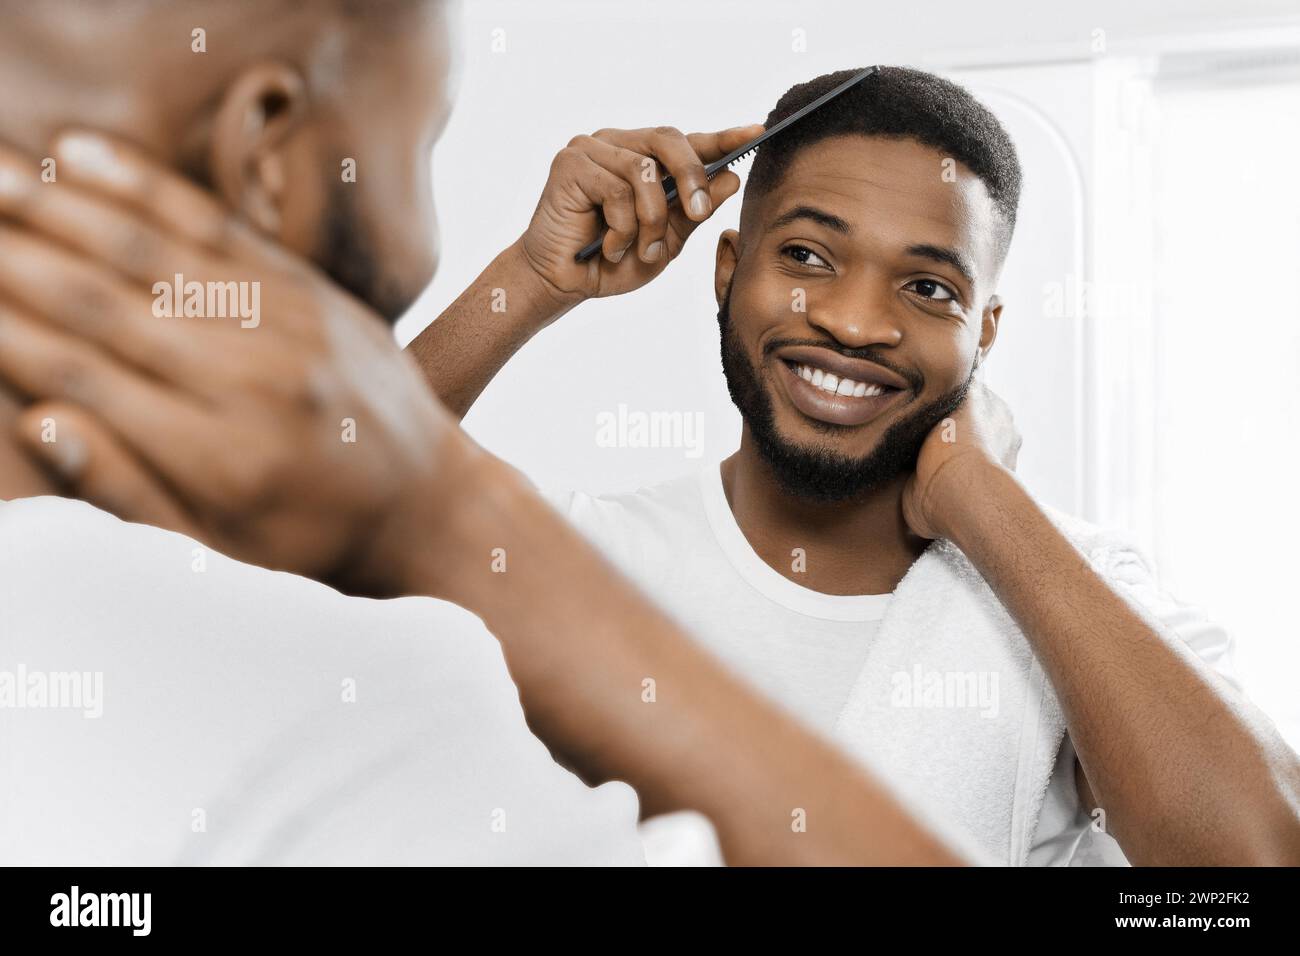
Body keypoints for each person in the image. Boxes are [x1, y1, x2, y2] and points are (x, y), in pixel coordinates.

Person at [0, 1, 973, 865]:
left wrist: (526, 283)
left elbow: (301, 472)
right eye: (426, 139)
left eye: (929, 284)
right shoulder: (362, 717)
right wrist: (450, 514)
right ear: (265, 143)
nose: (853, 320)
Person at [406, 67, 1300, 865]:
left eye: (930, 288)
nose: (858, 322)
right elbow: (301, 503)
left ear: (983, 333)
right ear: (727, 269)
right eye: (806, 256)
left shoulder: (1078, 590)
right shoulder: (587, 560)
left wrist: (986, 502)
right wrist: (530, 277)